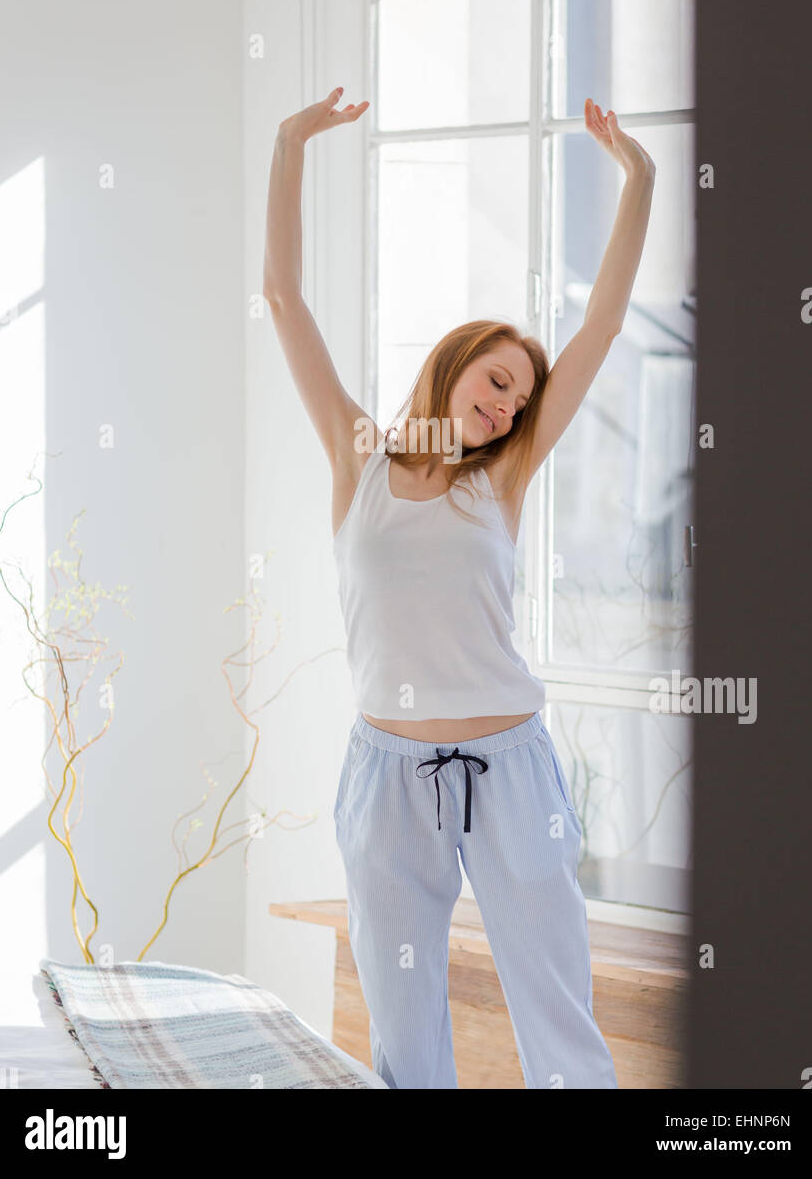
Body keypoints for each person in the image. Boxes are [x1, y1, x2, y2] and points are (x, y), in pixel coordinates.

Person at [263, 85, 655, 1089]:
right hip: (384, 782)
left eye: (519, 398)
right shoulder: (359, 455)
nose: (503, 406)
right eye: (494, 379)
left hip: (508, 773)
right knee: (403, 1040)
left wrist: (640, 177)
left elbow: (603, 326)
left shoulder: (503, 480)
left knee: (555, 1014)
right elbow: (282, 300)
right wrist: (290, 139)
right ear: (453, 361)